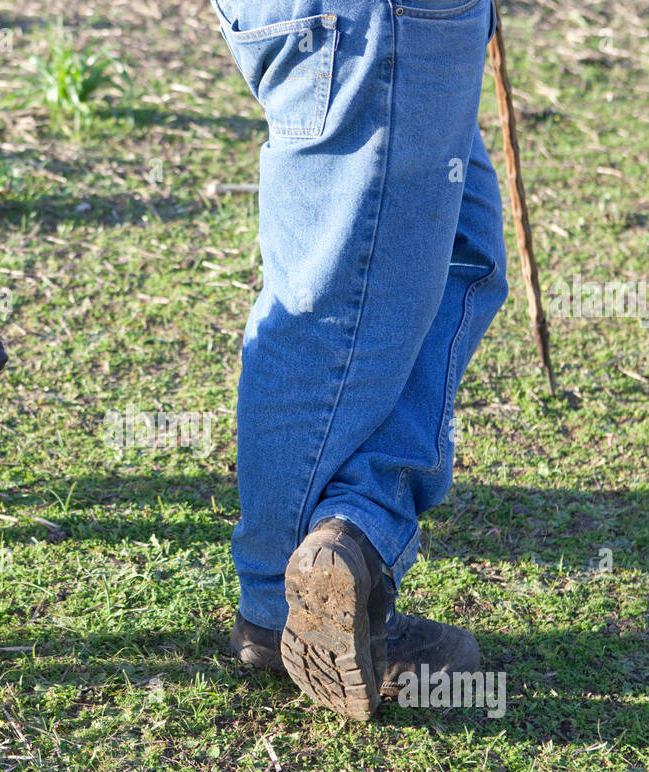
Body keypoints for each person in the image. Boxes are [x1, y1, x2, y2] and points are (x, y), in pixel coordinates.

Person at [214, 0, 509, 719]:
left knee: (458, 254)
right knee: (335, 296)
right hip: (383, 18)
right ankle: (284, 605)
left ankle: (352, 536)